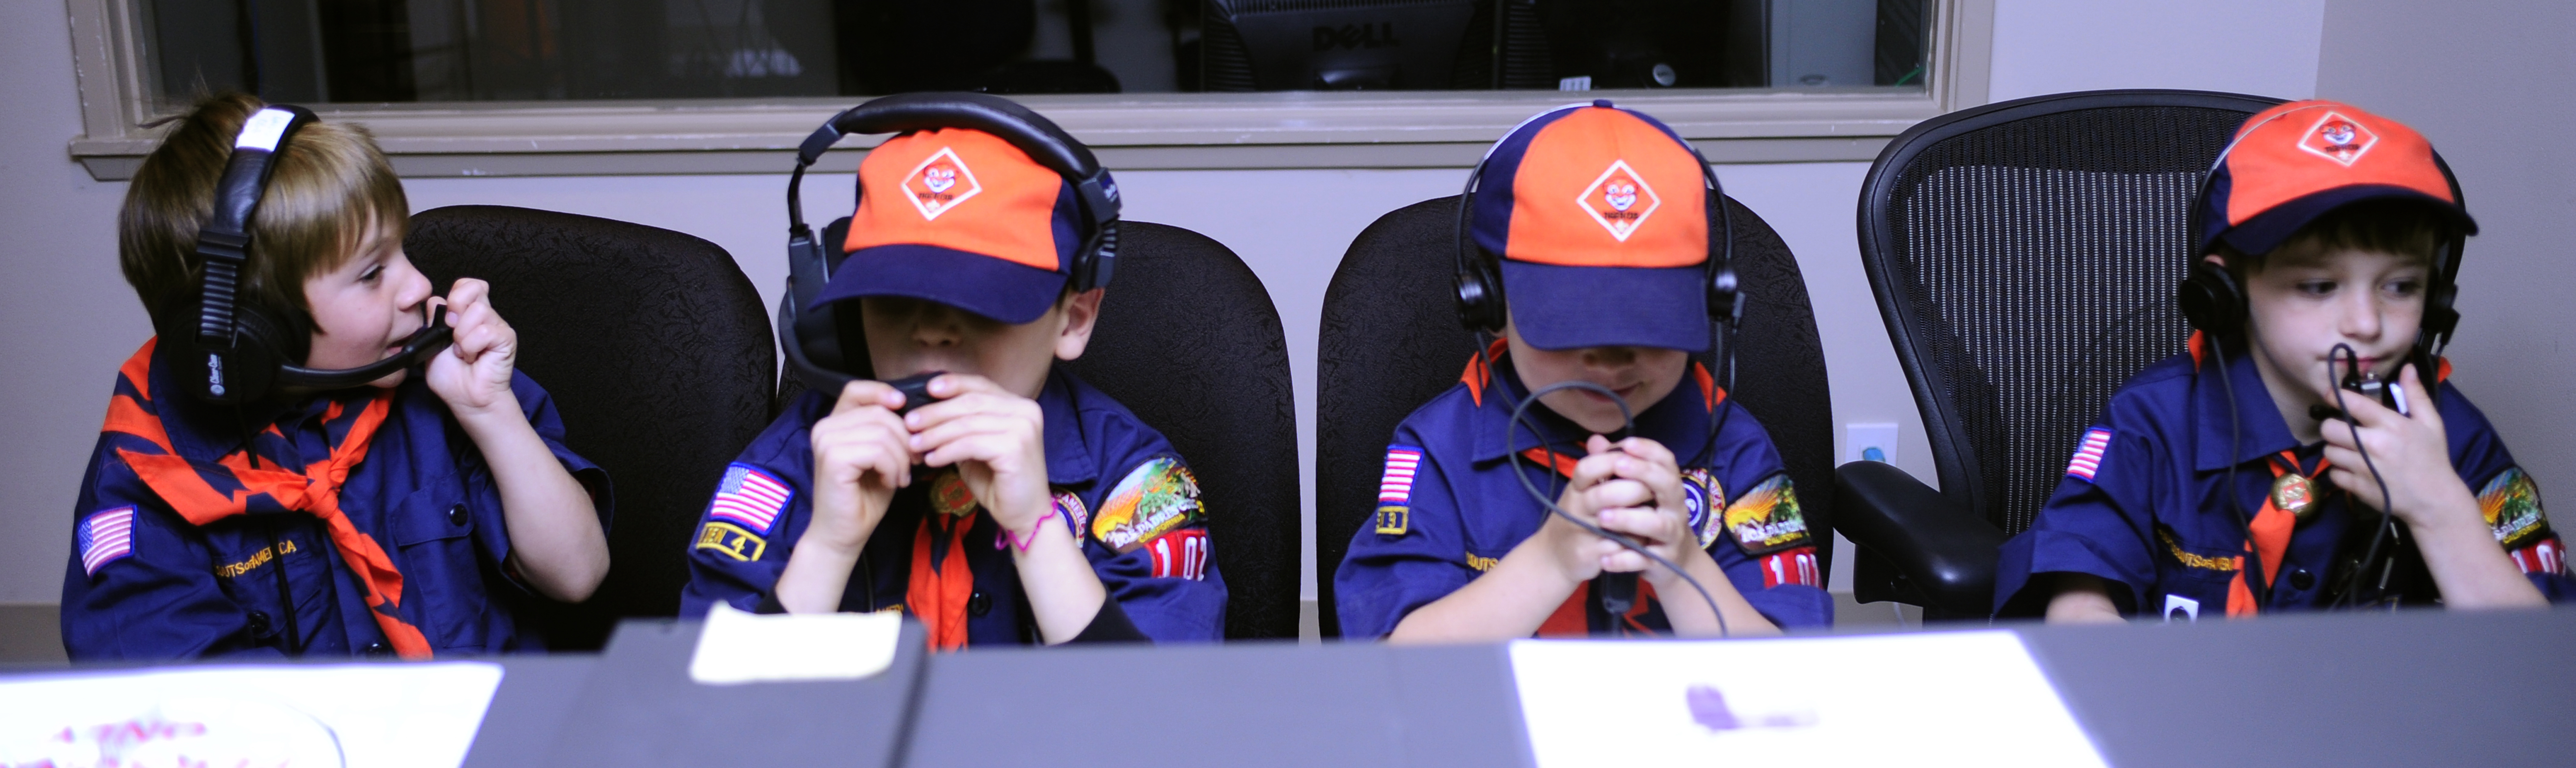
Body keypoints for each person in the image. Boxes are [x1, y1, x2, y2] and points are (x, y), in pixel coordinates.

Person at [64, 93, 611, 658]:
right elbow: (192, 721)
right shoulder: (148, 474)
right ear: (254, 332)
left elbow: (577, 574)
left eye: (403, 250)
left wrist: (490, 412)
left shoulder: (436, 377)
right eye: (374, 273)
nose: (420, 285)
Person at [1995, 100, 2571, 621]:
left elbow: (2539, 665)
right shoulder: (2153, 421)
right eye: (2320, 286)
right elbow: (2078, 590)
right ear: (2227, 295)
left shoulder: (2454, 440)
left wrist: (2439, 508)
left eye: (2401, 287)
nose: (2367, 324)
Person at [680, 121, 1225, 647]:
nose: (931, 331)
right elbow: (714, 720)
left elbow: (1159, 718)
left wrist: (1037, 531)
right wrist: (828, 546)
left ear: (1075, 317)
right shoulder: (789, 465)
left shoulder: (1137, 483)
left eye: (981, 303)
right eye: (893, 301)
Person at [1334, 101, 1832, 642]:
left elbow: (1786, 669)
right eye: (1572, 328)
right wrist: (1550, 561)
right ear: (1490, 304)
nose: (1612, 361)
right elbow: (1392, 661)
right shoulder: (1438, 449)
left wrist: (1682, 564)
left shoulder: (1735, 449)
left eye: (1649, 326)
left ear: (1708, 303)